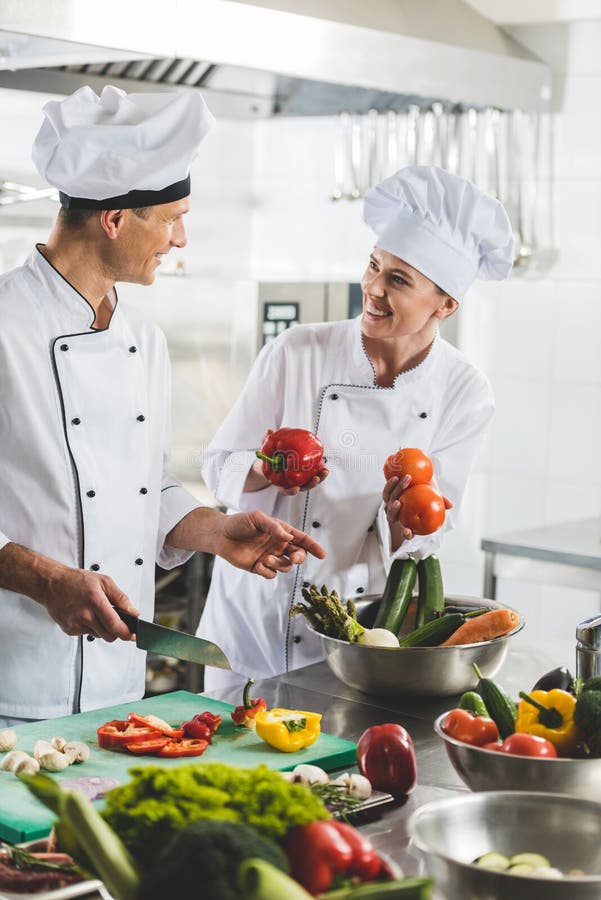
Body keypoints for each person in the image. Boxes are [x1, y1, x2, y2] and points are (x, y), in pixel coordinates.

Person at [0, 85, 325, 728]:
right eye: (171, 216)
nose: (180, 238)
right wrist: (45, 580)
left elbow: (144, 486)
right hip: (11, 685)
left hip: (117, 693)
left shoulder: (143, 341)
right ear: (115, 219)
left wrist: (216, 530)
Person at [197, 165, 515, 693]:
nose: (372, 288)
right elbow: (217, 464)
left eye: (398, 280)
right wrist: (266, 470)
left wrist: (400, 522)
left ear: (446, 304)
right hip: (255, 614)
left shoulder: (464, 390)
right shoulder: (297, 350)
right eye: (373, 266)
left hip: (356, 632)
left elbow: (430, 526)